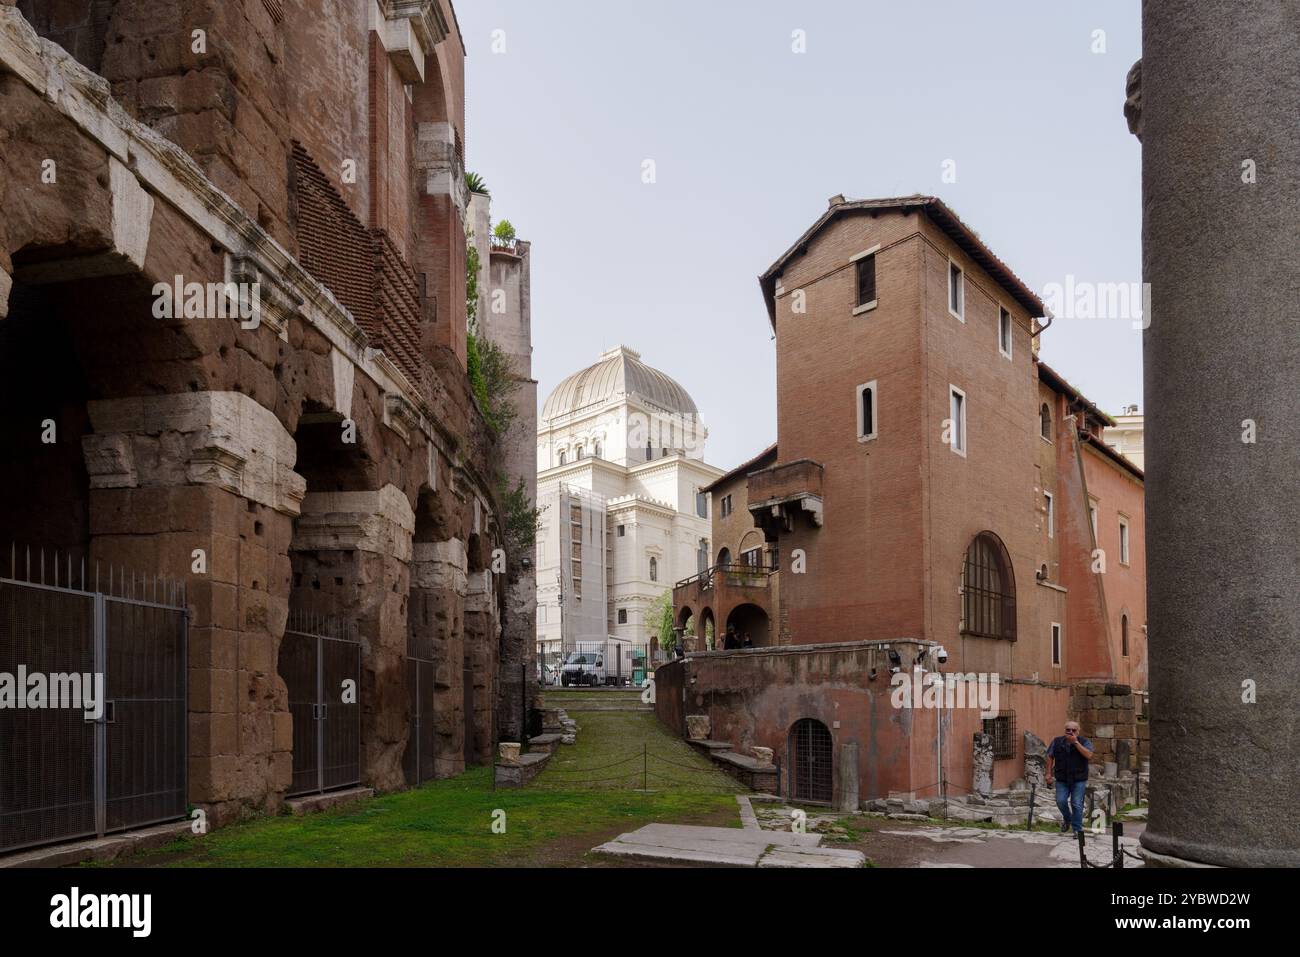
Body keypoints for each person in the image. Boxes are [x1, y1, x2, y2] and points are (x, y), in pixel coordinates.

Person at [1045, 720, 1094, 834]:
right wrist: (1048, 773)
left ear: (1078, 731)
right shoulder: (1057, 741)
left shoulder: (1084, 741)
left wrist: (1076, 743)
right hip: (1062, 777)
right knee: (1060, 801)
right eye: (1068, 730)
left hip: (1079, 778)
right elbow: (1049, 756)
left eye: (1073, 730)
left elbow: (1089, 755)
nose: (1070, 732)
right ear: (1064, 730)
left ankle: (1077, 830)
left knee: (1076, 803)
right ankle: (1068, 819)